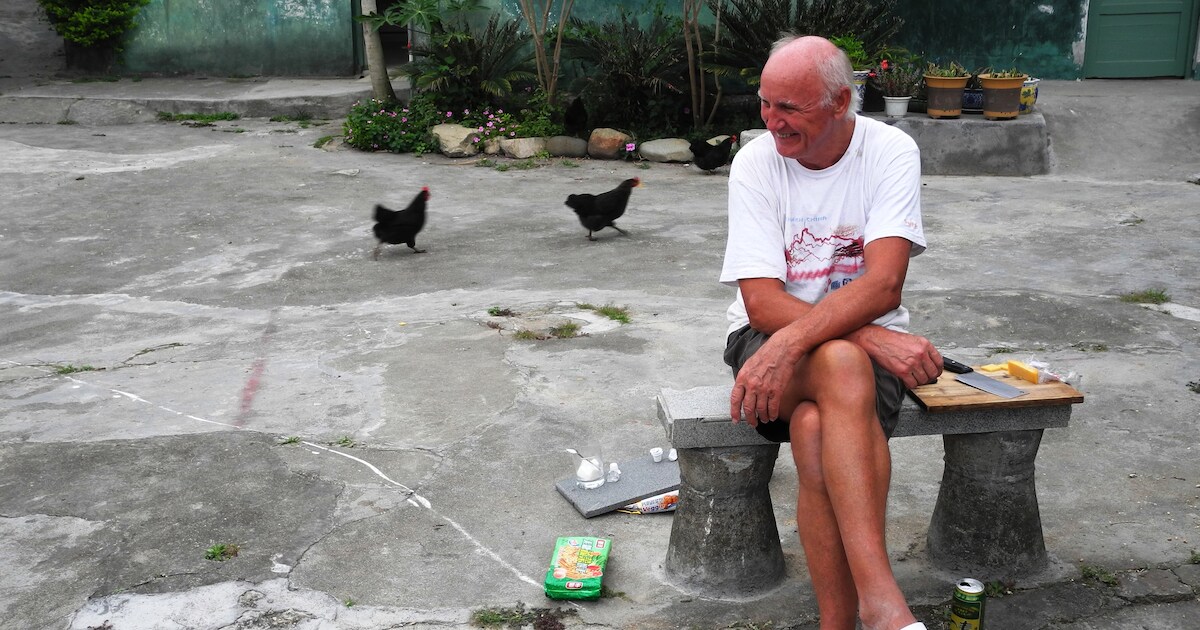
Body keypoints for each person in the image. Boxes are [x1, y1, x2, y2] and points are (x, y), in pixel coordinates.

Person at [720, 35, 943, 630]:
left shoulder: (889, 151)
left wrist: (809, 339)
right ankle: (883, 602)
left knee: (816, 426)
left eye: (790, 107)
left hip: (822, 362)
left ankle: (839, 623)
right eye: (766, 103)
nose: (772, 121)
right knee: (843, 359)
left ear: (842, 101)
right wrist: (859, 339)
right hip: (767, 347)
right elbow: (762, 302)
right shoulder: (756, 161)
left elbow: (884, 284)